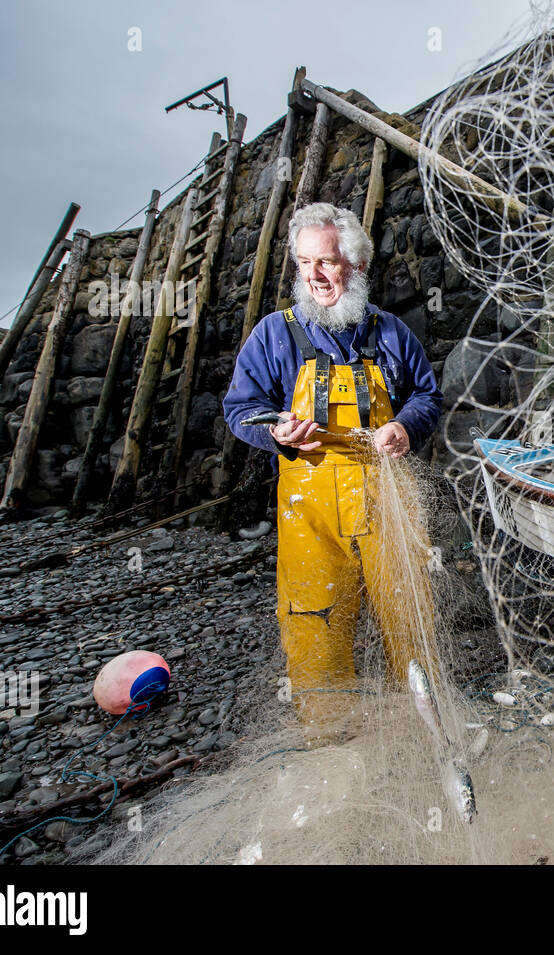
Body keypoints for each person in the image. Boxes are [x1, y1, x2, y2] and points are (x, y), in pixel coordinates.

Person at [223, 203, 444, 736]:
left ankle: (421, 730)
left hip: (389, 496)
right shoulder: (274, 335)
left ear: (358, 264)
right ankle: (331, 736)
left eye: (327, 262)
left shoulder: (392, 333)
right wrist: (275, 432)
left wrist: (407, 427)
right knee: (314, 621)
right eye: (305, 263)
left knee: (409, 617)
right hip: (311, 512)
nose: (315, 276)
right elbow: (240, 410)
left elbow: (427, 397)